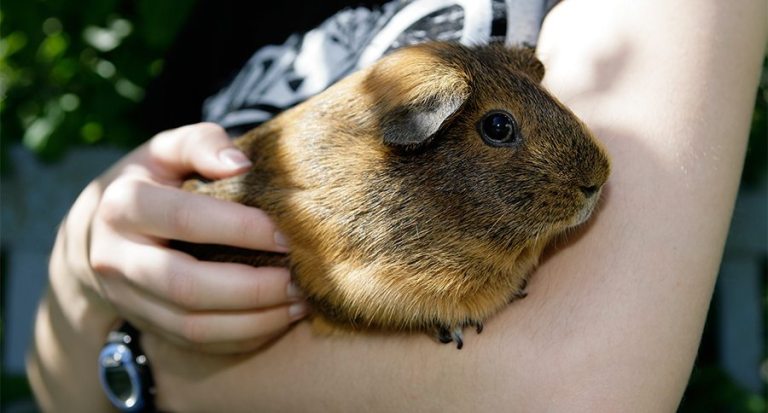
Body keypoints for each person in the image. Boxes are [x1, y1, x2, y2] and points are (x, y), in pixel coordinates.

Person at [26, 0, 767, 411]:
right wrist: (88, 260)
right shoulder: (230, 19)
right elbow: (60, 389)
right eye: (502, 129)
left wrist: (154, 370)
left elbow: (573, 388)